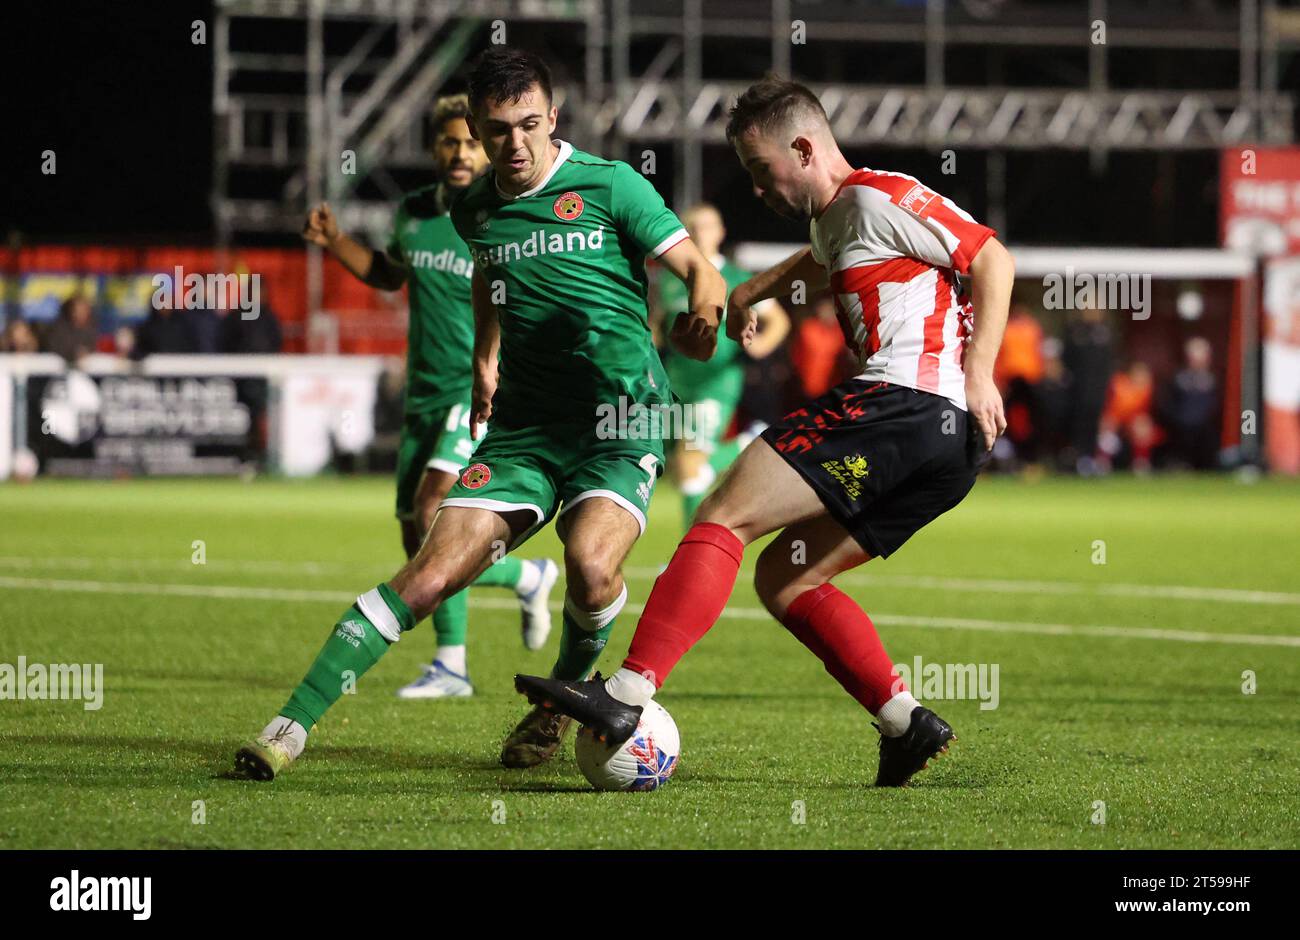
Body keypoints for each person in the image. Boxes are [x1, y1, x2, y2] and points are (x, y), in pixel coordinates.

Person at [233, 48, 726, 780]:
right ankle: (287, 729)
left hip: (619, 424)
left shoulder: (611, 184)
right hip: (524, 428)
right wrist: (485, 357)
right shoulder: (473, 207)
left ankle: (558, 704)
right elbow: (492, 275)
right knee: (427, 575)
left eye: (530, 124)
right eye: (498, 131)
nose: (516, 145)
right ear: (477, 128)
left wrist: (706, 316)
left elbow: (700, 271)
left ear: (554, 118)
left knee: (591, 568)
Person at [515, 75, 1014, 788]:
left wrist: (980, 372)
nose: (757, 189)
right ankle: (904, 722)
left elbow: (991, 257)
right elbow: (823, 252)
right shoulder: (844, 217)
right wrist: (750, 291)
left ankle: (623, 695)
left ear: (805, 149)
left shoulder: (878, 194)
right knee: (788, 577)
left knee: (725, 511)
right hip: (947, 448)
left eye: (762, 170)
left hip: (905, 403)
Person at [298, 94, 557, 700]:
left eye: (471, 141)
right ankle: (525, 576)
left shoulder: (501, 210)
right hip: (423, 393)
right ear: (433, 147)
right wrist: (337, 242)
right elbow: (391, 273)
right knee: (419, 540)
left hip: (476, 394)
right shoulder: (414, 212)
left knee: (435, 505)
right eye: (449, 141)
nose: (461, 152)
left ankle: (451, 664)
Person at [652, 202, 790, 527]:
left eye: (708, 226)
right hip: (678, 381)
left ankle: (686, 561)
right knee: (683, 470)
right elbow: (656, 323)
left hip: (718, 381)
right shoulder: (670, 280)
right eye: (694, 227)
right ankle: (749, 441)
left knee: (691, 468)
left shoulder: (736, 279)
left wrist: (759, 347)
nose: (701, 233)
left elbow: (779, 321)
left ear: (720, 232)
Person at [43, 296, 99, 363]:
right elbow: (53, 351)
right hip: (59, 366)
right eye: (79, 309)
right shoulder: (58, 329)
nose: (84, 312)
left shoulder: (91, 328)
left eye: (85, 309)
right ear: (71, 311)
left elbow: (93, 348)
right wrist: (74, 353)